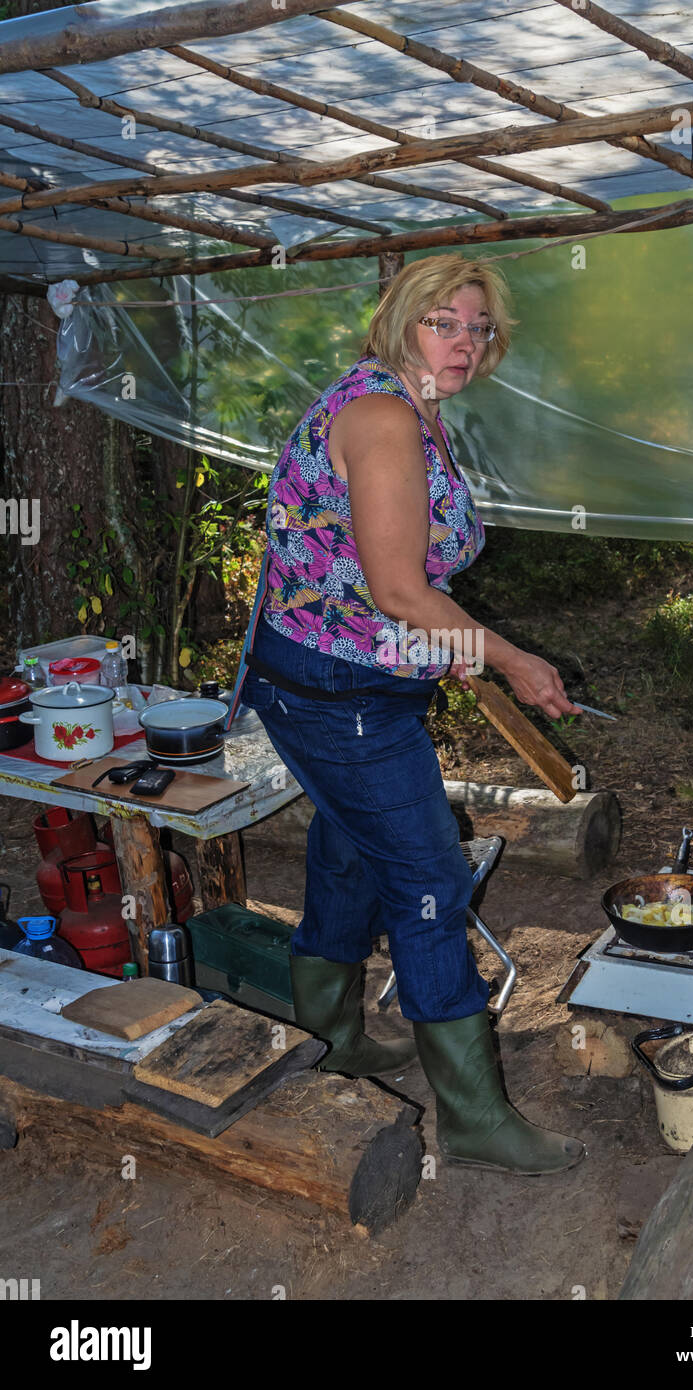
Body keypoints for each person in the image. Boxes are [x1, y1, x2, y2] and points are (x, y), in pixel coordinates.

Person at [226, 253, 585, 1174]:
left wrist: (444, 643)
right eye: (444, 321)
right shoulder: (384, 416)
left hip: (354, 675)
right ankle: (472, 1118)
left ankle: (332, 1036)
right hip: (335, 693)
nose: (464, 341)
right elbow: (395, 588)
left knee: (351, 848)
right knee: (429, 882)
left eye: (478, 326)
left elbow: (380, 577)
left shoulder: (413, 407)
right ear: (400, 321)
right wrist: (507, 656)